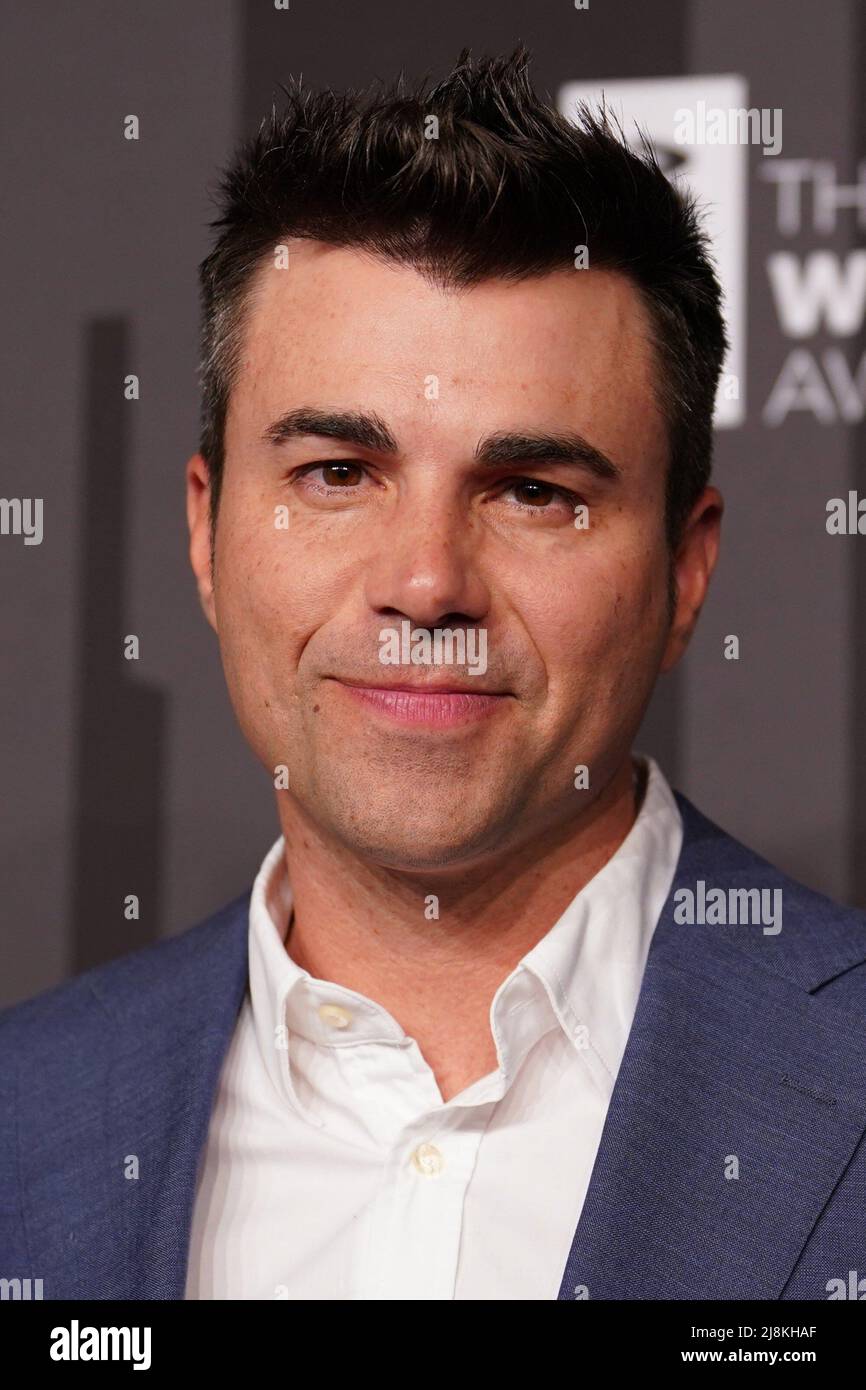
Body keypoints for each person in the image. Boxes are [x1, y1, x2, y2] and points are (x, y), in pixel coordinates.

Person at [3, 45, 865, 1302]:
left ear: (684, 569)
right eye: (337, 474)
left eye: (531, 491)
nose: (424, 581)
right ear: (205, 530)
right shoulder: (28, 1122)